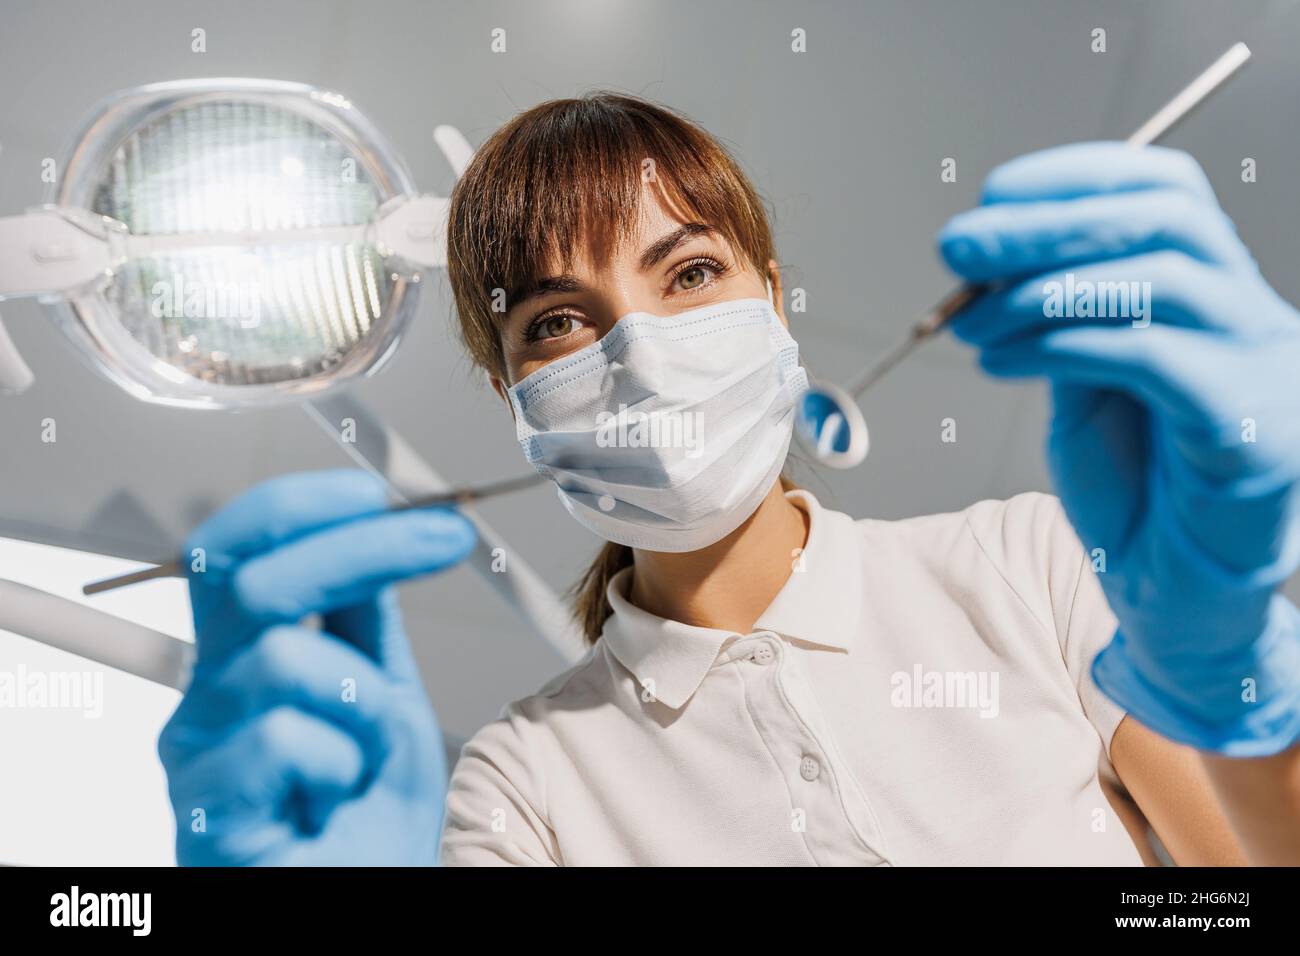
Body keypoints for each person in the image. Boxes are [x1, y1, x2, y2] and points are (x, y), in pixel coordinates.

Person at [158, 93, 1300, 866]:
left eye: (690, 272)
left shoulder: (1028, 566)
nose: (641, 352)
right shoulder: (524, 783)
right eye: (558, 321)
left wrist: (1228, 670)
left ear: (775, 301)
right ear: (511, 396)